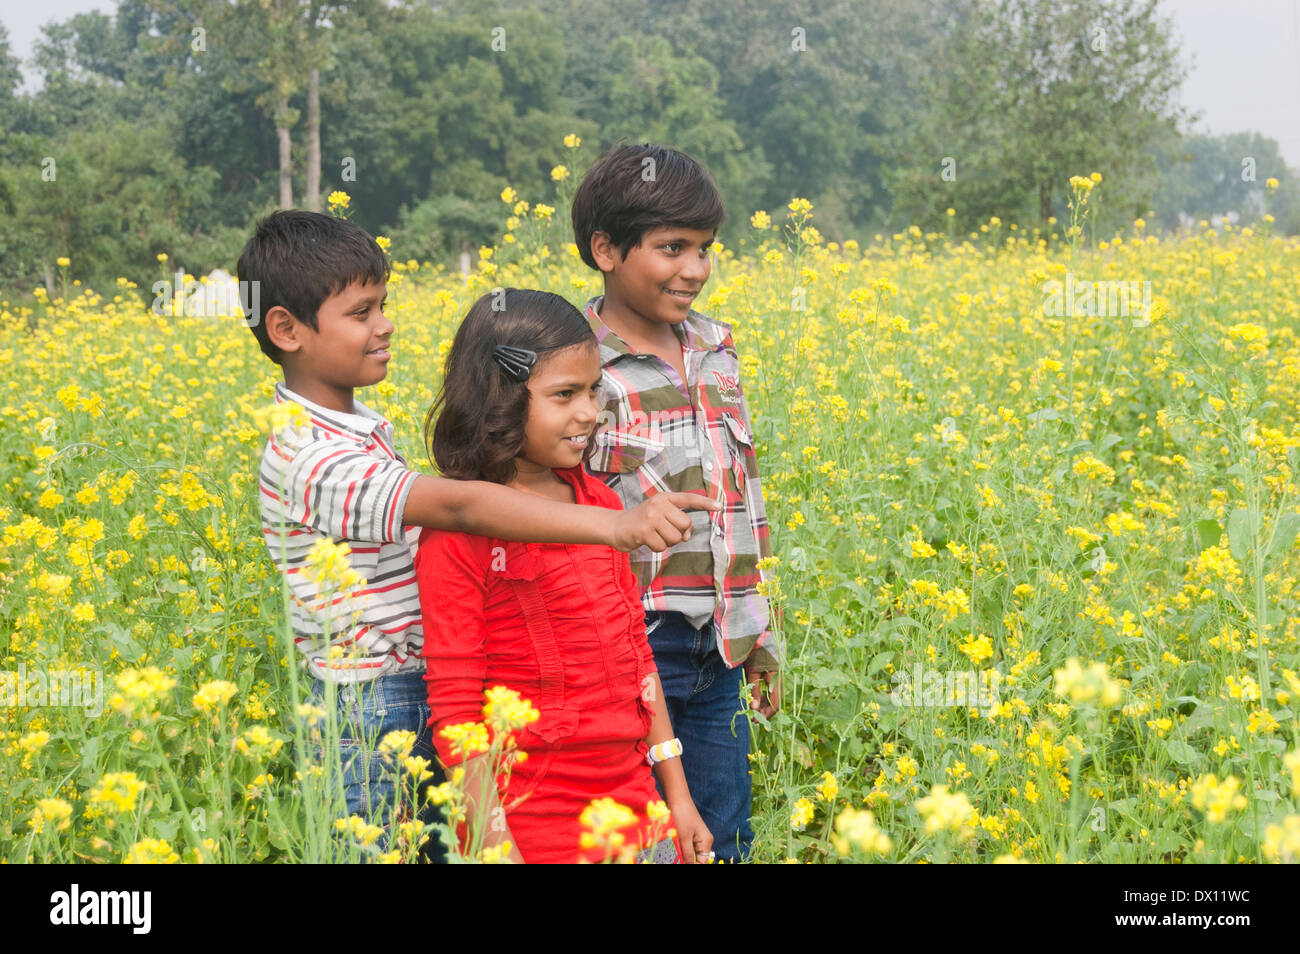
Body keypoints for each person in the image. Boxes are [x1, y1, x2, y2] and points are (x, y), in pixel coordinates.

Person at [238, 211, 717, 844]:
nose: (384, 326)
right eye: (361, 313)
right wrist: (614, 525)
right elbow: (463, 508)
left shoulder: (357, 429)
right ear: (286, 328)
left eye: (383, 305)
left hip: (422, 694)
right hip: (369, 710)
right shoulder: (303, 453)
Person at [414, 288, 713, 863]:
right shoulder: (457, 531)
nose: (589, 412)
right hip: (535, 829)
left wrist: (678, 797)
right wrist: (493, 843)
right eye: (564, 394)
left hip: (637, 816)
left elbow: (637, 660)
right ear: (497, 401)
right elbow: (457, 708)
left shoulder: (602, 506)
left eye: (594, 388)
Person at [571, 144, 782, 862]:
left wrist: (760, 633)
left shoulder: (717, 349)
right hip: (631, 643)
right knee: (645, 841)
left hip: (720, 641)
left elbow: (742, 502)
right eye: (672, 248)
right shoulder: (575, 366)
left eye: (705, 249)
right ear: (606, 249)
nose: (694, 269)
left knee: (724, 835)